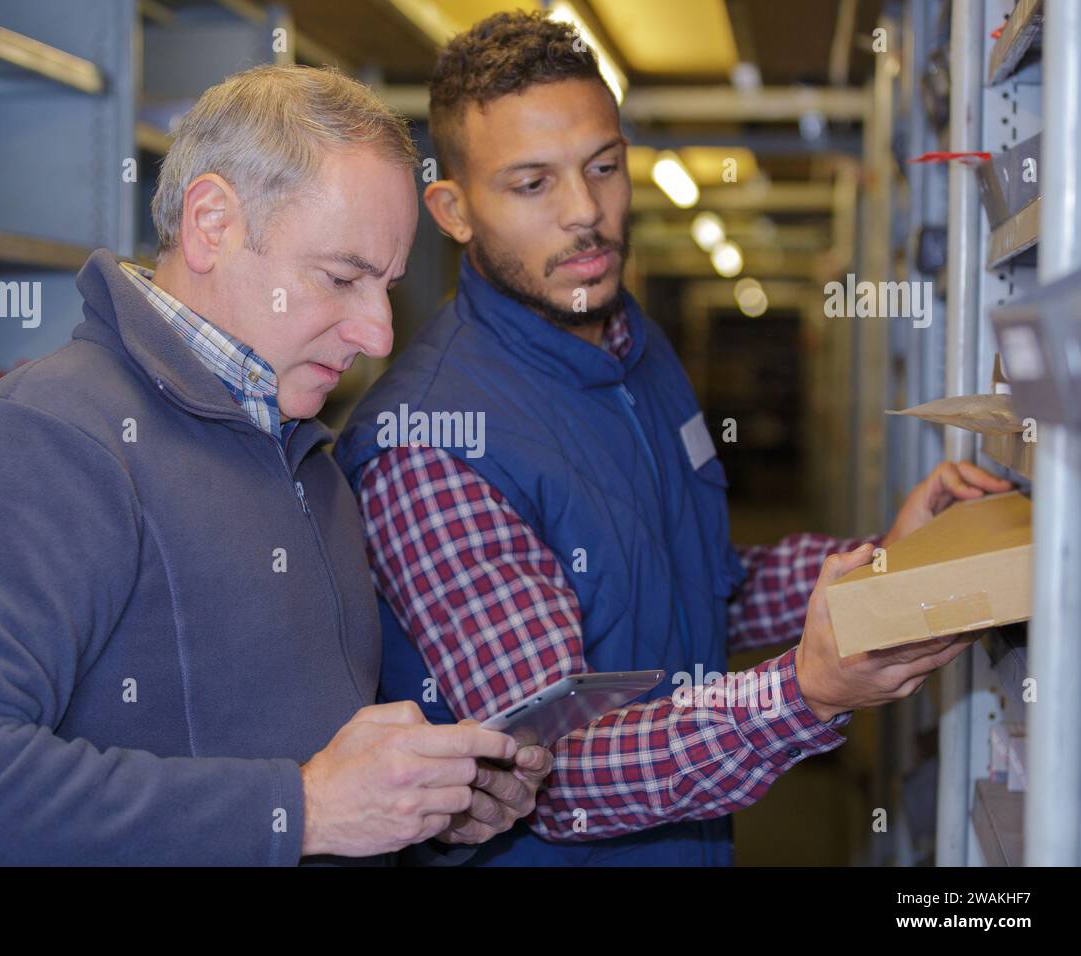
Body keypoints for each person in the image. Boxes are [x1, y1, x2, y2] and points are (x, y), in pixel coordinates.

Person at [332, 11, 1011, 866]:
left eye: (604, 167)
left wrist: (885, 563)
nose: (587, 214)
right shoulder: (428, 446)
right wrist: (802, 690)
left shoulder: (632, 348)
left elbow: (699, 585)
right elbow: (556, 767)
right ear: (454, 209)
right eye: (532, 184)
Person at [0, 64, 552, 866]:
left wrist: (425, 812)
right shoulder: (45, 439)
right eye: (341, 278)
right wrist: (305, 808)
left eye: (388, 287)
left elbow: (313, 782)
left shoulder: (308, 460)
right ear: (212, 223)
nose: (378, 333)